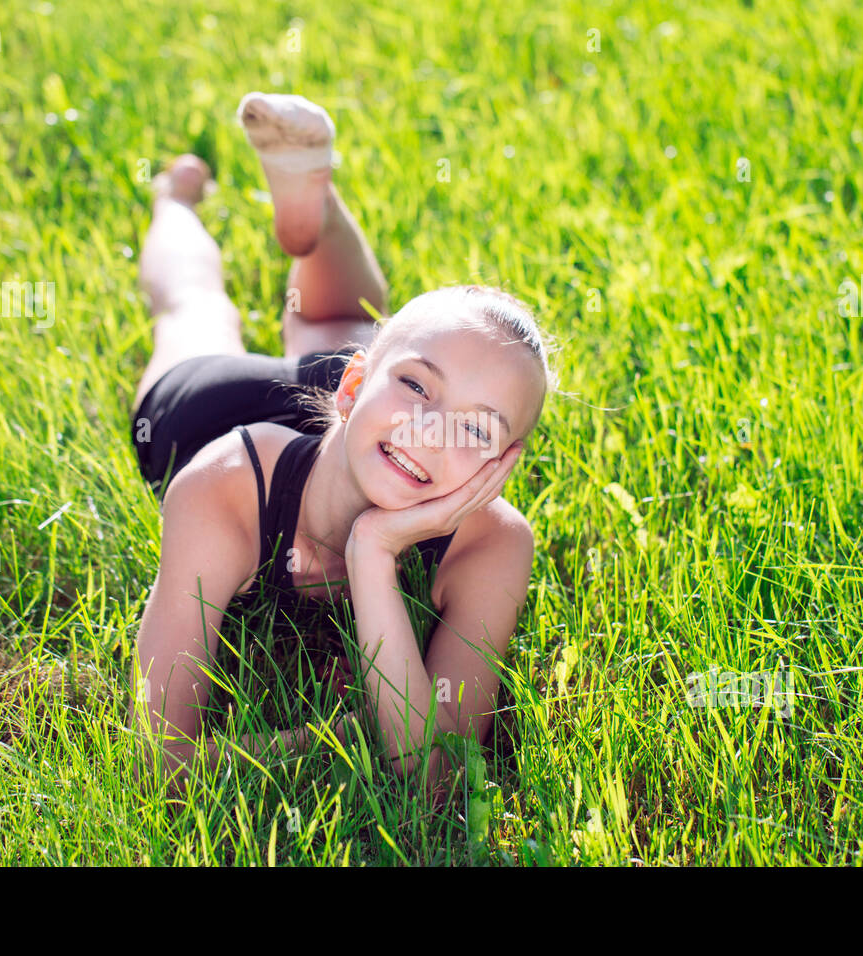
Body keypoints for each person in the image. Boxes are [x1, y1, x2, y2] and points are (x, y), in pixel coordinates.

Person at [128, 91, 558, 806]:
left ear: (501, 466)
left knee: (336, 326)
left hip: (361, 426)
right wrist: (374, 730)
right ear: (354, 388)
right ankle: (176, 199)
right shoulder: (219, 488)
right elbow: (159, 765)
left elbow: (438, 775)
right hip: (219, 416)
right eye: (421, 388)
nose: (432, 430)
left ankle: (312, 193)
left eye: (477, 428)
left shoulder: (496, 542)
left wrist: (373, 555)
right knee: (197, 306)